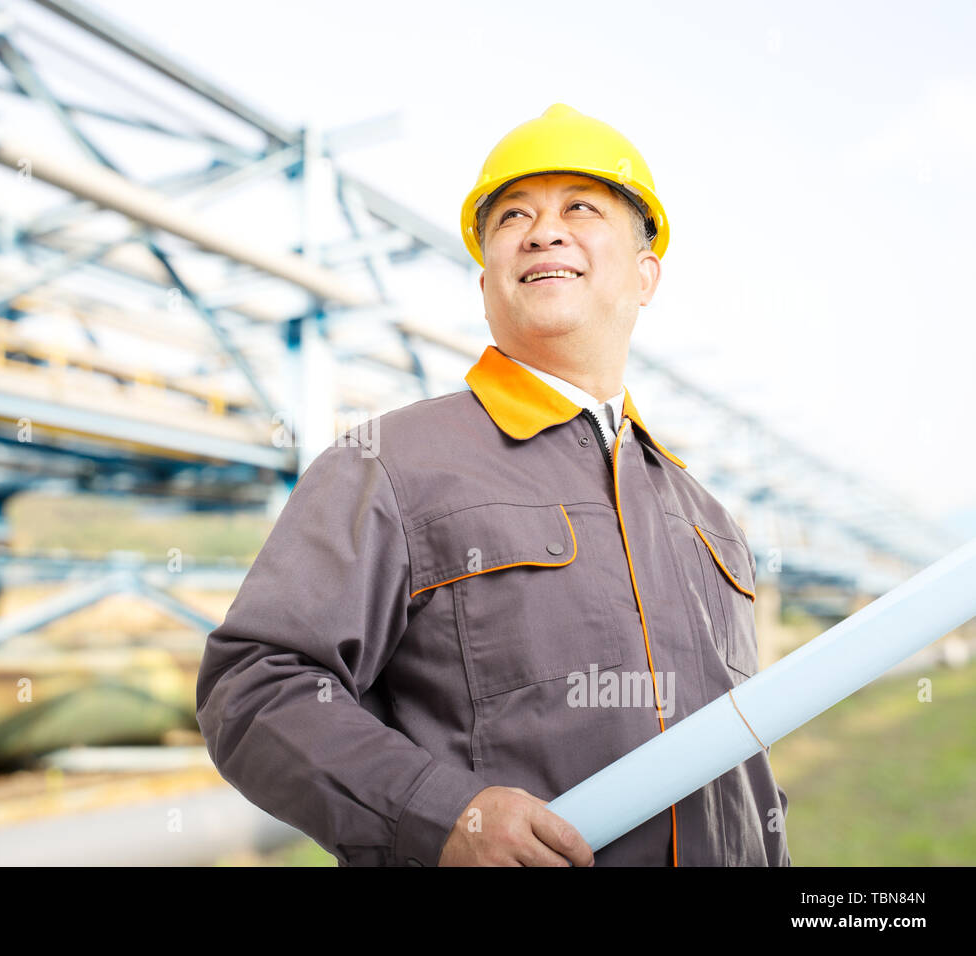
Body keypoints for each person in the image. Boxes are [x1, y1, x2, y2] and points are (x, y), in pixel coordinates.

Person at [195, 103, 791, 867]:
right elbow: (253, 685)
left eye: (581, 208)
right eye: (513, 216)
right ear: (487, 284)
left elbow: (745, 772)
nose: (543, 232)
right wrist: (440, 814)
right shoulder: (390, 463)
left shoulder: (705, 518)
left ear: (646, 275)